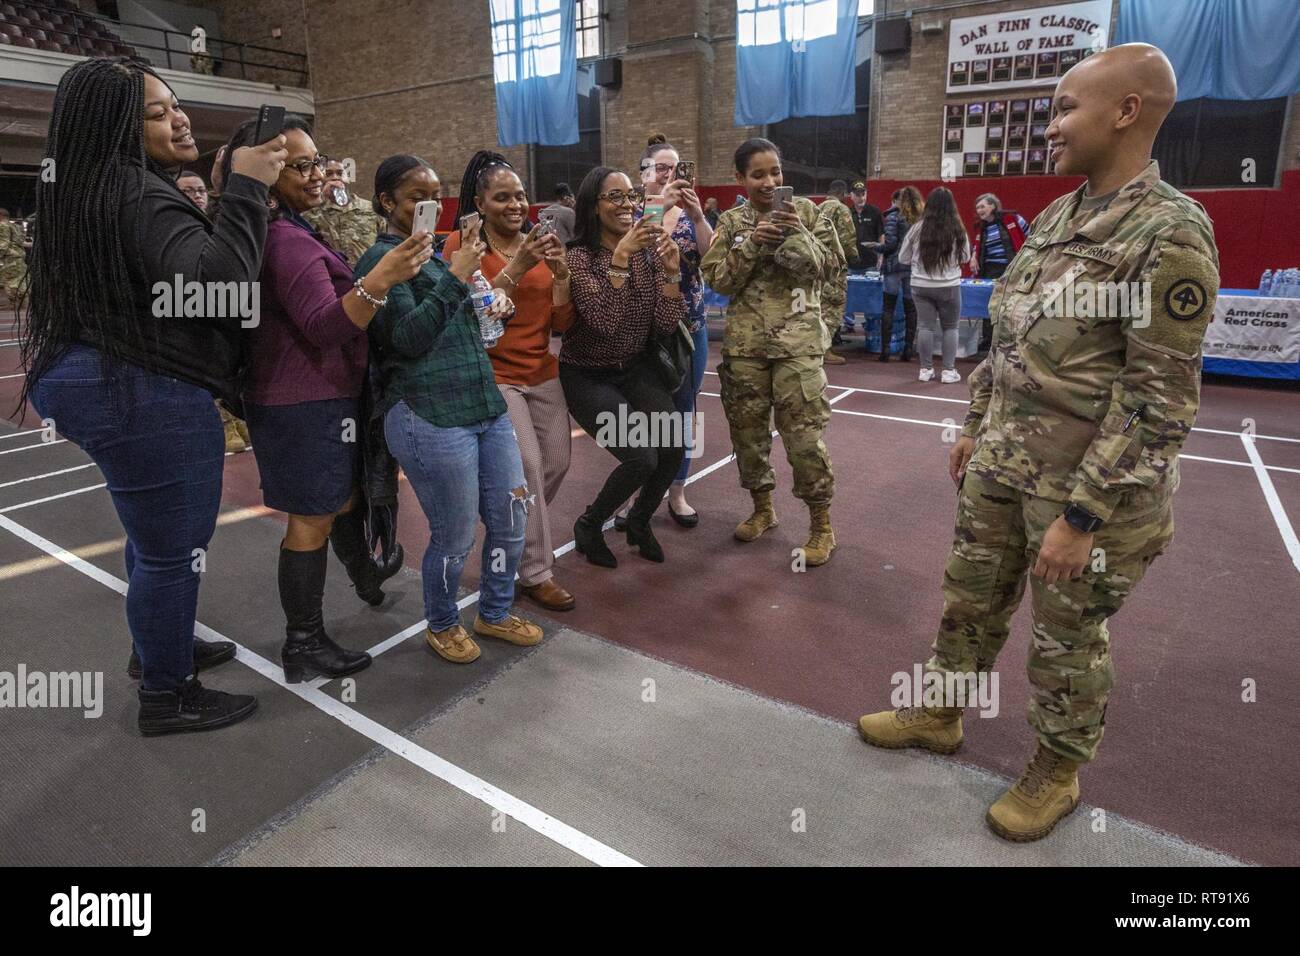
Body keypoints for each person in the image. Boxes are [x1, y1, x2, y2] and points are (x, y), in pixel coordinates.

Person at [858, 44, 1220, 843]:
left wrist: (1083, 516)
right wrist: (978, 423)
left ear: (1126, 112)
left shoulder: (1172, 231)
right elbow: (1008, 333)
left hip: (1083, 492)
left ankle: (1056, 771)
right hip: (1002, 466)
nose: (1049, 125)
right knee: (970, 600)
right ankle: (941, 714)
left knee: (1065, 636)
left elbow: (1158, 400)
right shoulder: (1060, 216)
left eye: (1063, 108)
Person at [20, 57, 284, 734]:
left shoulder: (86, 187)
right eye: (159, 112)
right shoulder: (135, 192)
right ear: (118, 125)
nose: (181, 118)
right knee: (173, 550)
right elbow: (215, 286)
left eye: (178, 105)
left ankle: (157, 648)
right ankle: (169, 696)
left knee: (153, 536)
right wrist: (249, 190)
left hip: (96, 378)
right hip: (139, 389)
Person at [221, 116, 428, 684]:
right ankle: (303, 644)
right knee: (310, 521)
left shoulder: (287, 227)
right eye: (300, 164)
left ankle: (366, 576)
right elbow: (326, 326)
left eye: (318, 160)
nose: (317, 173)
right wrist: (380, 280)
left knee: (337, 502)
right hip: (303, 402)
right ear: (263, 169)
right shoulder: (285, 239)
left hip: (314, 398)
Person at [357, 155, 539, 664]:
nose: (429, 207)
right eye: (416, 196)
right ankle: (442, 622)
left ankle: (496, 612)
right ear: (387, 201)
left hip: (484, 404)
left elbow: (464, 326)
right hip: (427, 414)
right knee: (455, 534)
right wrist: (458, 279)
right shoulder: (380, 259)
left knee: (510, 518)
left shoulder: (437, 257)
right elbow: (408, 339)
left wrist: (491, 302)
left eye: (435, 196)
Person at [442, 151, 577, 612]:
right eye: (502, 197)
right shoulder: (463, 248)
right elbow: (472, 312)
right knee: (530, 468)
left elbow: (562, 320)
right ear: (480, 204)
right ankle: (535, 571)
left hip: (541, 372)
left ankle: (509, 527)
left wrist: (561, 274)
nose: (516, 204)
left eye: (520, 195)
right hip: (493, 375)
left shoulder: (543, 245)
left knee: (556, 463)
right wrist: (517, 268)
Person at [699, 138, 839, 567]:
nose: (769, 181)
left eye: (775, 172)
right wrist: (751, 243)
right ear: (740, 179)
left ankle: (821, 525)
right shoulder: (732, 221)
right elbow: (719, 281)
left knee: (803, 440)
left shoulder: (810, 214)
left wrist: (793, 232)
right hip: (746, 349)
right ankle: (763, 509)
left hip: (798, 346)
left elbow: (827, 268)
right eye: (758, 174)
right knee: (748, 437)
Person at [561, 165, 686, 568]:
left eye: (631, 196)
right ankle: (589, 523)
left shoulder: (649, 255)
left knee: (672, 446)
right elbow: (603, 321)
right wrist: (619, 257)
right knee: (641, 457)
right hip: (587, 373)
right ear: (592, 207)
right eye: (614, 196)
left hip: (634, 367)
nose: (627, 204)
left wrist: (671, 274)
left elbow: (666, 324)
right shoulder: (578, 258)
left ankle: (639, 521)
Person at [618, 133, 713, 528]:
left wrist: (698, 217)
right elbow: (632, 254)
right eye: (660, 167)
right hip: (642, 329)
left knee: (684, 411)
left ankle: (677, 489)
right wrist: (662, 206)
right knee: (642, 411)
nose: (668, 174)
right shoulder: (629, 211)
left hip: (689, 326)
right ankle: (640, 488)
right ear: (642, 174)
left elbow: (713, 258)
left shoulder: (693, 213)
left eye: (675, 168)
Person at [899, 187, 970, 384]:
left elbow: (902, 258)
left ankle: (925, 369)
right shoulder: (957, 229)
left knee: (925, 327)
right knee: (950, 328)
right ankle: (948, 371)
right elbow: (966, 256)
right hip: (949, 285)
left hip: (920, 285)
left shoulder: (916, 228)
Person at [969, 193, 1030, 356]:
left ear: (993, 206)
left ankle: (1010, 340)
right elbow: (977, 246)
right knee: (989, 305)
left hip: (1010, 269)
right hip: (989, 270)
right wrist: (974, 256)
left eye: (982, 206)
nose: (979, 210)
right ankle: (988, 340)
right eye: (977, 207)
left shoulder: (1013, 219)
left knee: (1010, 306)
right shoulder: (981, 227)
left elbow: (1029, 236)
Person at [302, 157, 381, 264]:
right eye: (328, 174)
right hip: (333, 276)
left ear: (347, 178)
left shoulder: (370, 209)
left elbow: (386, 241)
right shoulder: (312, 211)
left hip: (369, 274)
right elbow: (302, 236)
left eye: (340, 173)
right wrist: (321, 198)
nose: (335, 178)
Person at [875, 186, 922, 362]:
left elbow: (890, 244)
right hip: (912, 267)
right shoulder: (920, 218)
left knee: (888, 308)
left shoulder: (893, 217)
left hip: (893, 266)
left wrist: (876, 247)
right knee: (911, 308)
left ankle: (885, 351)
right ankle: (908, 350)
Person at [818, 180, 859, 365]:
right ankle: (824, 349)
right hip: (835, 267)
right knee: (834, 308)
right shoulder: (842, 209)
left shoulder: (817, 209)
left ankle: (816, 347)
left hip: (817, 265)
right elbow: (847, 239)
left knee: (819, 308)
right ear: (843, 193)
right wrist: (854, 256)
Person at [0, 207, 29, 311]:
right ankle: (23, 306)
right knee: (21, 281)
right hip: (19, 256)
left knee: (11, 281)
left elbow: (3, 244)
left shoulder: (2, 226)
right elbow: (21, 241)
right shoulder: (15, 226)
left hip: (10, 258)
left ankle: (15, 305)